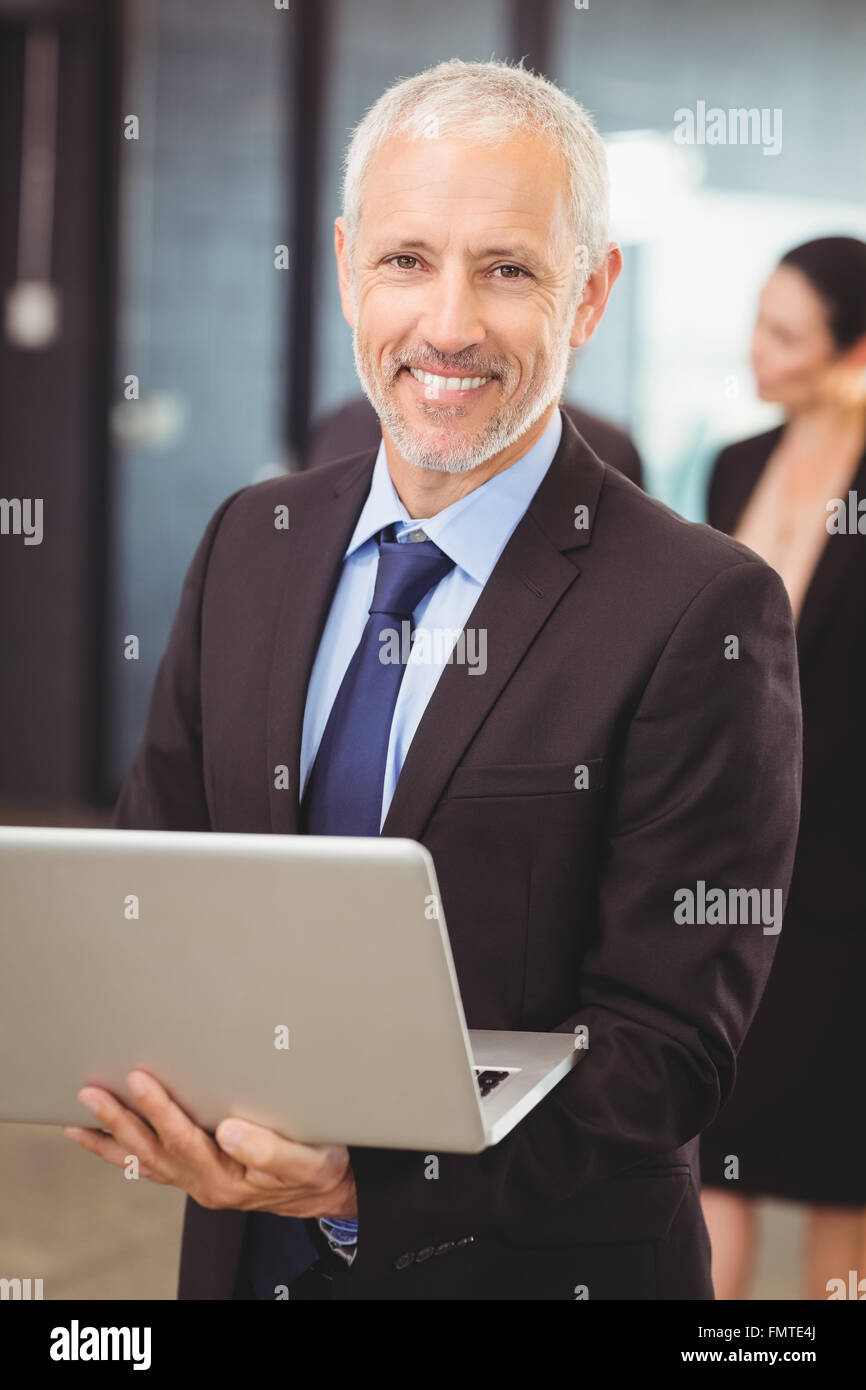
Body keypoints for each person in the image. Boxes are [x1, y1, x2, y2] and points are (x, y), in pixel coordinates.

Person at [64, 58, 802, 1301]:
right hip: (244, 1264)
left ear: (589, 294)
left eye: (506, 268)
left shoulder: (698, 607)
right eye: (407, 259)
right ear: (348, 265)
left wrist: (365, 1185)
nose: (447, 323)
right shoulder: (253, 539)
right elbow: (156, 890)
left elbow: (666, 1050)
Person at [700, 236, 866, 1300]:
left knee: (835, 1180)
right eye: (757, 321)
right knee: (706, 1153)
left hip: (844, 885)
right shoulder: (733, 462)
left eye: (785, 335)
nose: (755, 351)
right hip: (725, 870)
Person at [307, 393, 645, 487]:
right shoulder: (344, 425)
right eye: (406, 262)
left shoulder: (609, 448)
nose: (448, 333)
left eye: (510, 272)